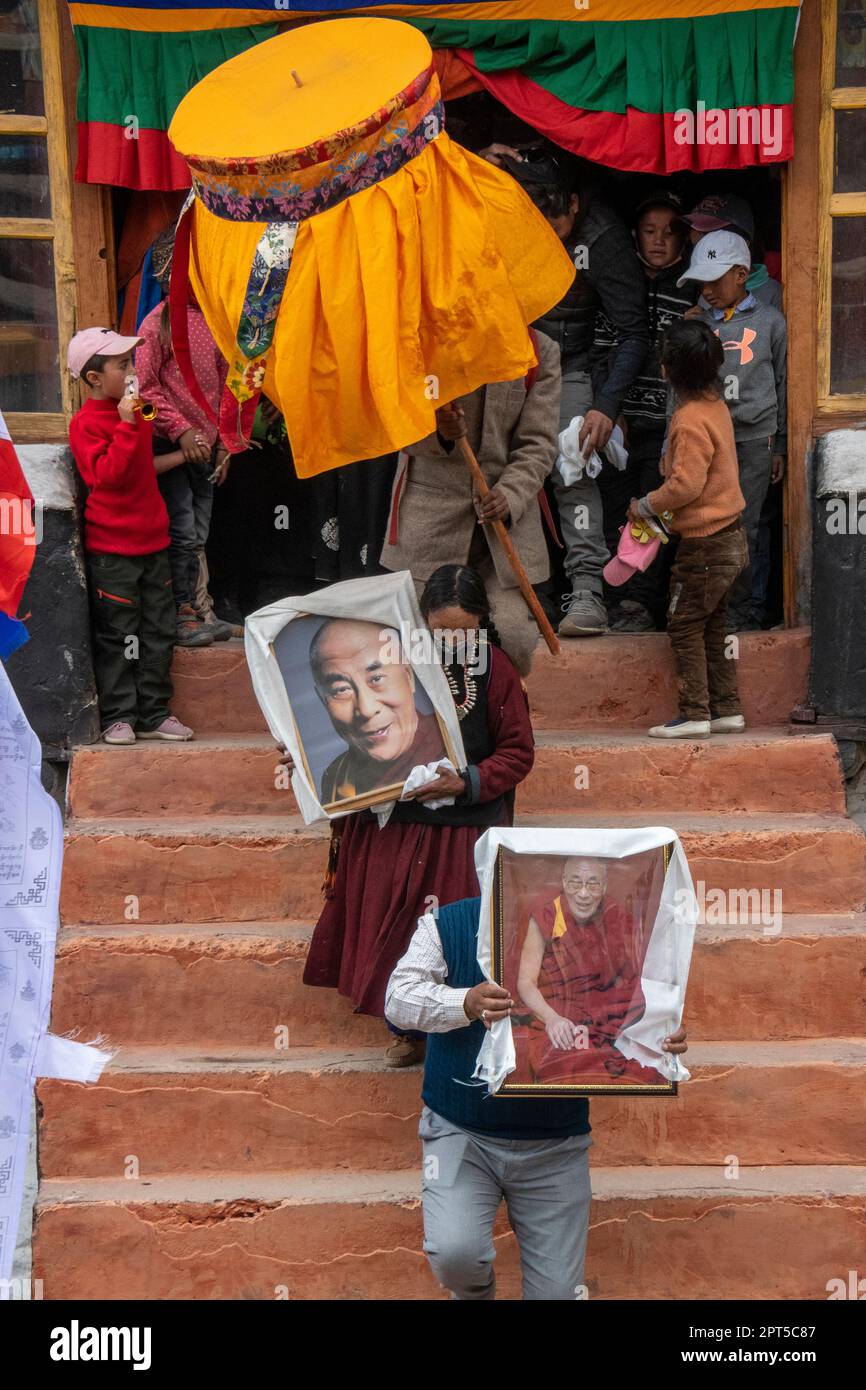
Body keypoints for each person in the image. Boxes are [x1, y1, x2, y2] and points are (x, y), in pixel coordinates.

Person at [385, 892, 688, 1300]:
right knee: (455, 1254)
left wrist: (656, 1035)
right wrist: (465, 1002)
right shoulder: (449, 923)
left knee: (559, 1295)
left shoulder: (598, 930)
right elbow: (396, 999)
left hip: (556, 1143)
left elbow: (627, 1011)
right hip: (461, 1133)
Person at [296, 565, 535, 1066]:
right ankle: (406, 1030)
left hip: (461, 833)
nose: (450, 639)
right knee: (395, 933)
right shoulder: (386, 661)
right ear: (419, 621)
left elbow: (517, 753)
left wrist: (466, 782)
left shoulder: (495, 669)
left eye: (462, 630)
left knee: (453, 936)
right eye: (438, 629)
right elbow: (339, 738)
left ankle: (459, 1032)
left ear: (482, 622)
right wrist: (302, 755)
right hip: (390, 829)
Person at [492, 149, 649, 637]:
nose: (548, 232)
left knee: (571, 463)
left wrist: (606, 405)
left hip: (573, 365)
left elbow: (635, 331)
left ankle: (586, 592)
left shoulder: (603, 238)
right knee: (502, 468)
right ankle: (516, 591)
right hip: (508, 361)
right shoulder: (507, 223)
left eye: (556, 221)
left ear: (575, 204)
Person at [380, 336, 561, 676]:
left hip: (506, 528)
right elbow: (398, 429)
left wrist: (510, 493)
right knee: (416, 642)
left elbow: (538, 444)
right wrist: (440, 432)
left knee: (514, 639)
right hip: (429, 522)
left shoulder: (539, 351)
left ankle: (496, 719)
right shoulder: (422, 343)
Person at [67, 327, 193, 744]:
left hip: (153, 542)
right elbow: (108, 478)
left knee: (159, 630)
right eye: (123, 365)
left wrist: (179, 437)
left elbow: (150, 435)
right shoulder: (86, 424)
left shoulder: (137, 411)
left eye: (132, 361)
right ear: (94, 379)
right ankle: (119, 716)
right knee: (120, 633)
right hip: (113, 551)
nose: (134, 370)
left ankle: (155, 713)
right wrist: (125, 424)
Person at [628, 319, 747, 739]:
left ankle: (695, 712)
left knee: (682, 625)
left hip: (705, 548)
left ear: (665, 369)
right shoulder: (716, 408)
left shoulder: (688, 419)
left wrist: (645, 505)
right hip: (731, 539)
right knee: (712, 623)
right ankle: (726, 709)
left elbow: (686, 485)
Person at [678, 230, 787, 631]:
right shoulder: (697, 324)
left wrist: (782, 446)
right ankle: (710, 609)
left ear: (742, 275)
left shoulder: (771, 322)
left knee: (749, 526)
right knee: (706, 524)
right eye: (702, 282)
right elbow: (681, 385)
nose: (707, 290)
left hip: (756, 439)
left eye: (716, 280)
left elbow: (783, 383)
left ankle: (746, 611)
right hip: (708, 439)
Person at [135, 226, 235, 647]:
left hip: (208, 450)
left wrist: (227, 443)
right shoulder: (156, 324)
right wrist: (182, 430)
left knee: (200, 533)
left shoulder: (217, 323)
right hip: (174, 447)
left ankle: (201, 608)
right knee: (181, 531)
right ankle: (182, 613)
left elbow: (231, 386)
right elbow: (144, 392)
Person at [602, 191, 697, 632]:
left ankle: (639, 606)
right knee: (613, 512)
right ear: (633, 236)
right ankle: (613, 600)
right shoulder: (619, 285)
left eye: (670, 232)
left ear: (685, 239)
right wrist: (606, 407)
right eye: (648, 231)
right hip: (619, 426)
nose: (659, 241)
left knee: (652, 516)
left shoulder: (694, 292)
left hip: (664, 428)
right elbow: (602, 350)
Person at [514, 856, 662, 1086]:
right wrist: (552, 1018)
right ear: (564, 882)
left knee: (639, 1072)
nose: (583, 894)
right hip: (556, 1018)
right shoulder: (547, 915)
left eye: (592, 884)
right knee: (560, 1061)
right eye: (575, 882)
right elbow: (525, 981)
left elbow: (631, 984)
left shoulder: (617, 918)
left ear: (603, 887)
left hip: (604, 1024)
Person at [310, 618, 446, 804]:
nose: (366, 709)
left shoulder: (448, 746)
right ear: (323, 701)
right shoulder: (337, 777)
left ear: (409, 676)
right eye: (341, 689)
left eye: (376, 678)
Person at [683, 193, 782, 310]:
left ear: (743, 241)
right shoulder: (706, 298)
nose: (707, 290)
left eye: (710, 237)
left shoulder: (774, 294)